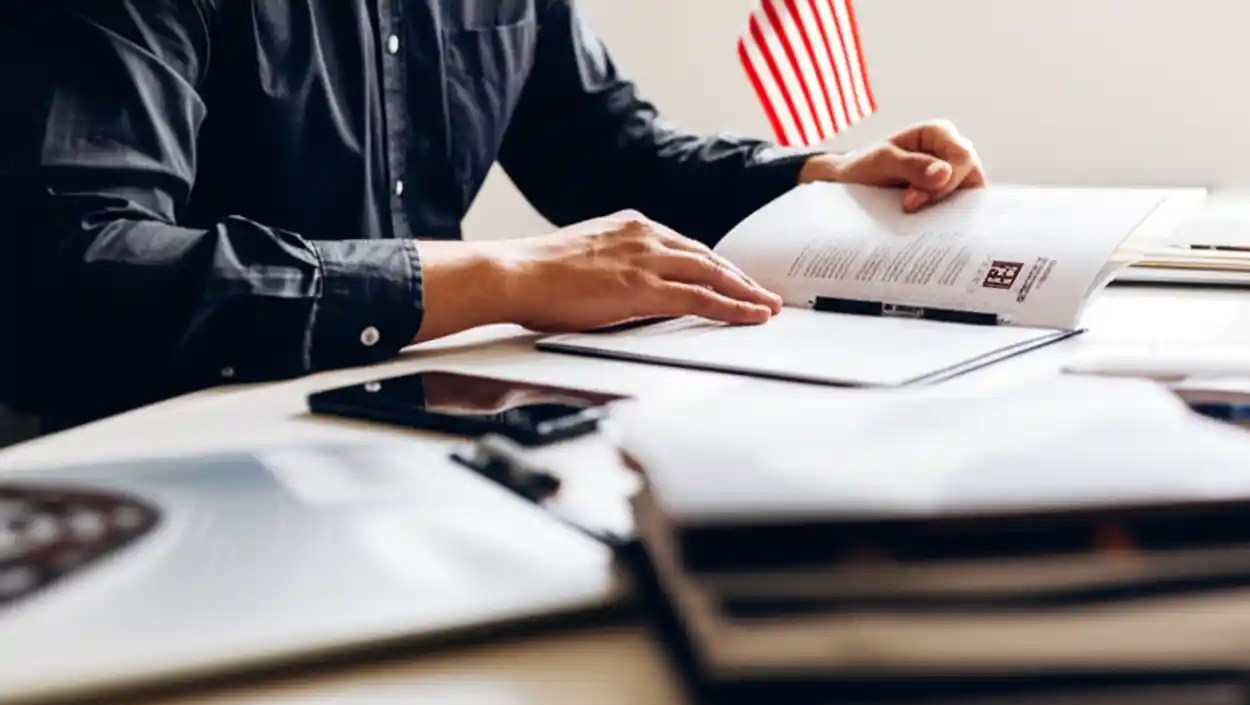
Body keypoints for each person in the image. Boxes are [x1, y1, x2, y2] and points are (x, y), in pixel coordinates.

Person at [0, 0, 985, 424]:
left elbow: (603, 147)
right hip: (145, 451)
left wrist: (814, 175)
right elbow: (73, 267)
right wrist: (490, 277)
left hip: (397, 424)